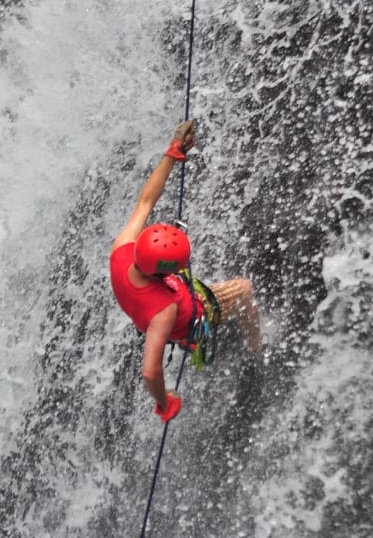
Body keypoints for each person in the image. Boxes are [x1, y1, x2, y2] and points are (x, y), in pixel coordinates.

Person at [109, 120, 262, 423]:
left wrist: (173, 153)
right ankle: (257, 345)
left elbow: (145, 201)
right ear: (165, 273)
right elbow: (150, 370)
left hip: (150, 314)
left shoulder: (122, 251)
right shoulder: (164, 309)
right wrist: (164, 402)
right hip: (190, 314)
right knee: (243, 289)